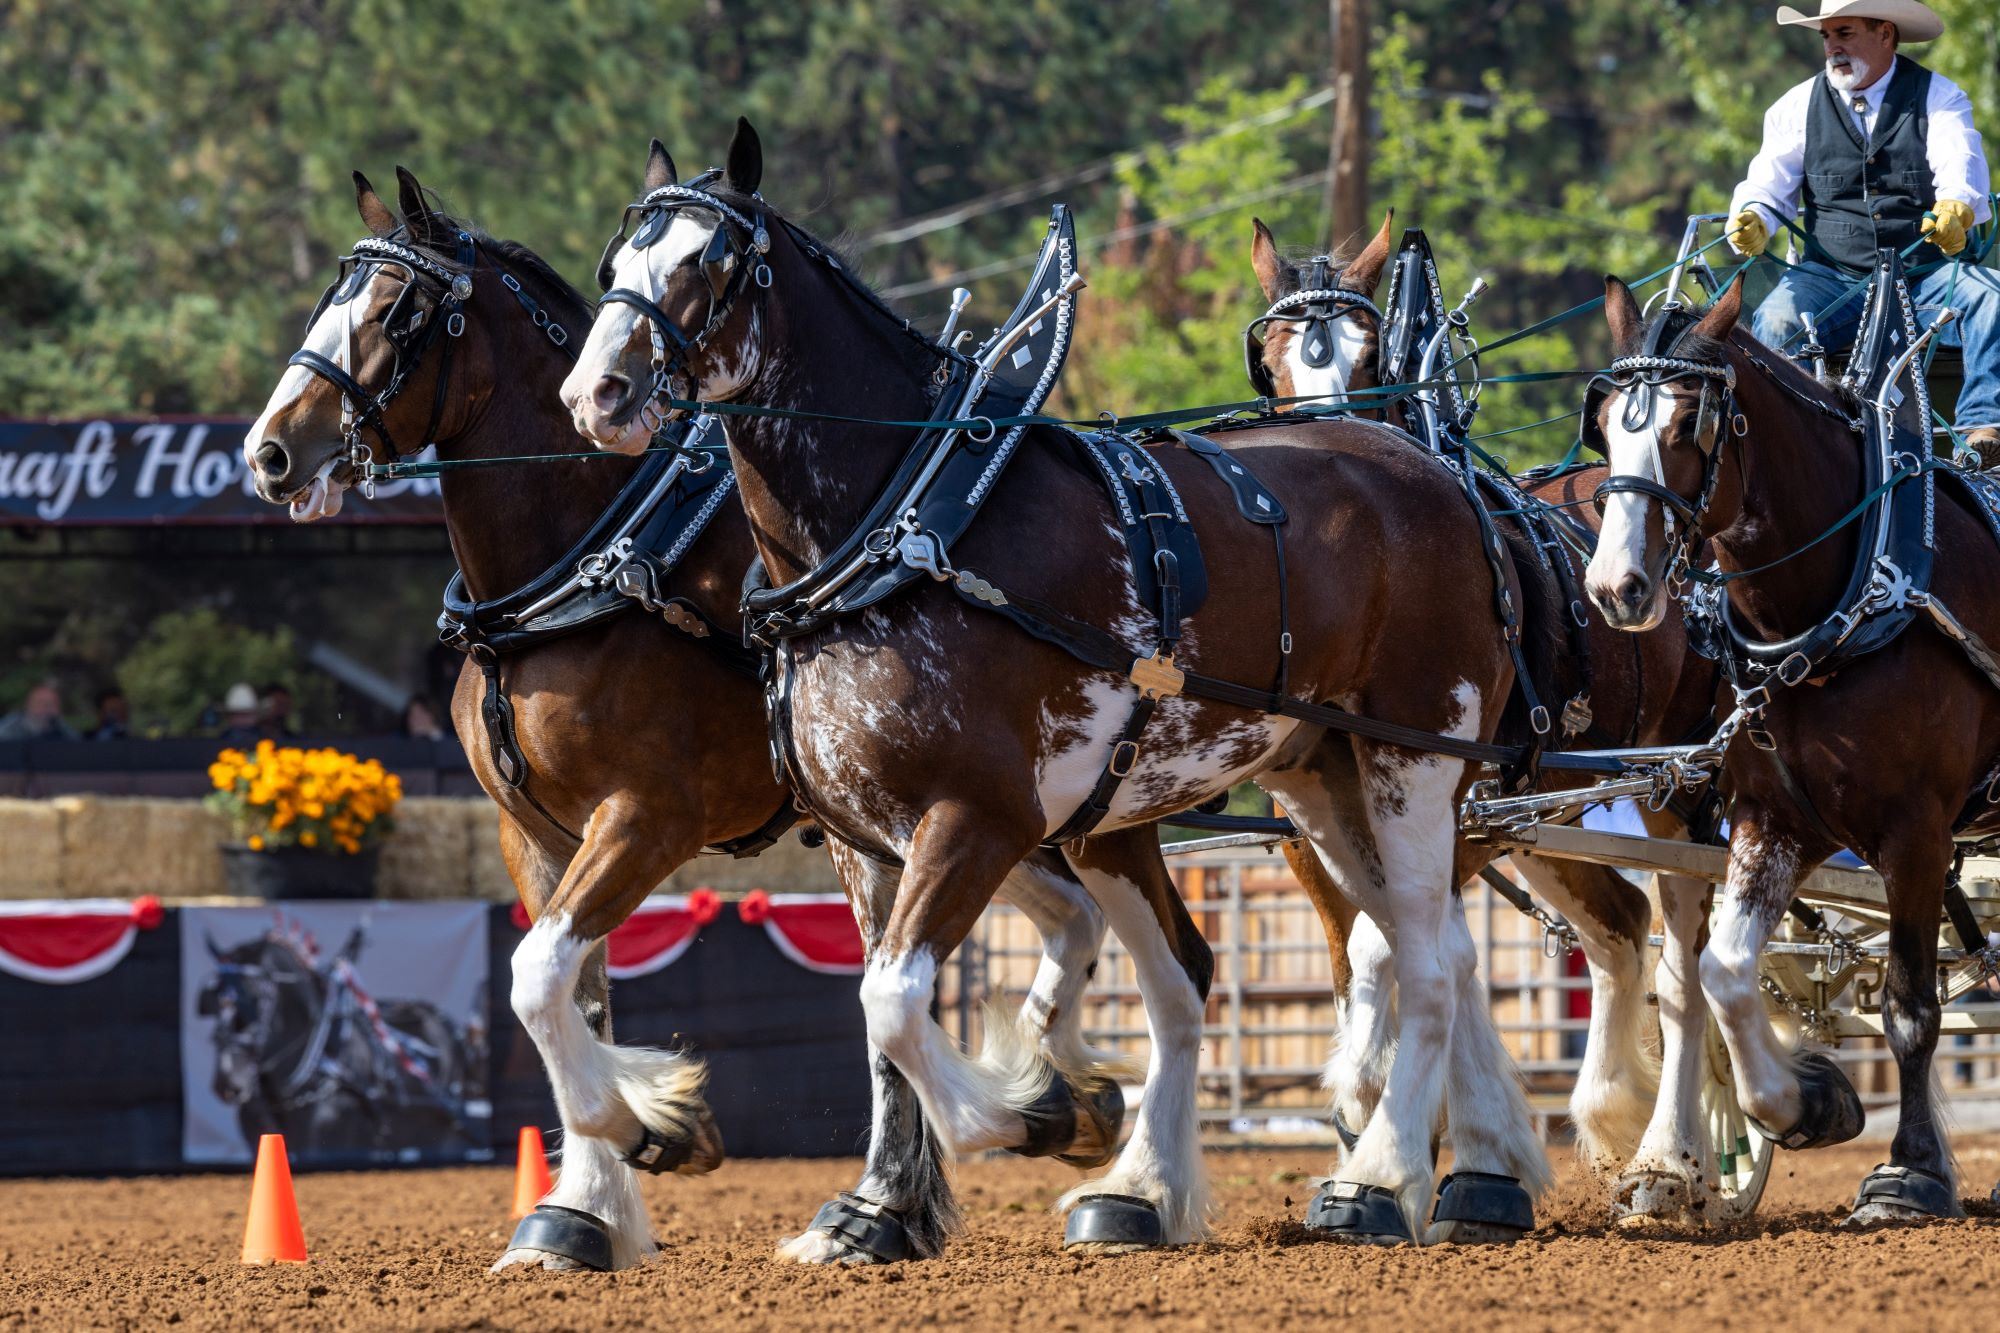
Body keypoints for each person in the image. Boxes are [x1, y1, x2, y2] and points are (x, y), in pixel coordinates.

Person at [1725, 0, 1998, 462]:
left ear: (1885, 34)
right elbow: (1767, 185)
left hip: (1924, 277)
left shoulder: (1938, 96)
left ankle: (1982, 428)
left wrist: (1957, 207)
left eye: (1845, 33)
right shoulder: (1795, 107)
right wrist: (1753, 216)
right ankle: (1787, 449)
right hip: (1831, 279)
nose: (1832, 47)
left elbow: (1961, 160)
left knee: (1992, 299)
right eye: (1826, 37)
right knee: (1775, 321)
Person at [0, 680, 79, 741]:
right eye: (40, 703)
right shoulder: (9, 728)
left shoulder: (62, 728)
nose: (46, 710)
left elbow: (78, 745)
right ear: (28, 706)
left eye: (51, 704)